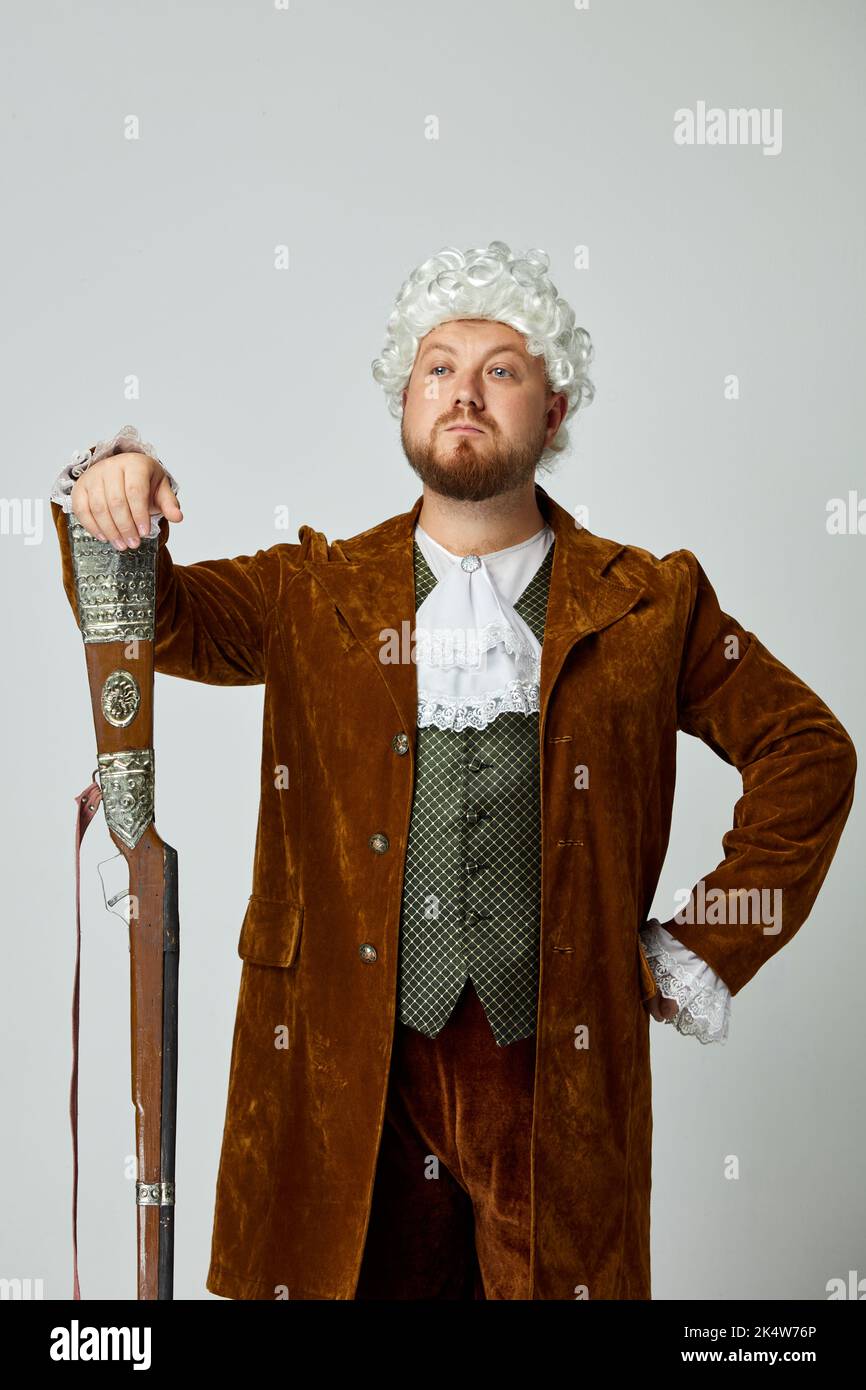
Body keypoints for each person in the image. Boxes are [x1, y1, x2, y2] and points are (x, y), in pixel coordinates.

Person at [49, 241, 856, 1299]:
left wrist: (704, 942)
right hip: (344, 1080)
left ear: (553, 411)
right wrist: (113, 484)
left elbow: (807, 749)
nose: (463, 392)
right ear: (403, 402)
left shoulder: (650, 603)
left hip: (553, 1082)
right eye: (437, 368)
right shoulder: (311, 591)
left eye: (501, 369)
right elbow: (155, 622)